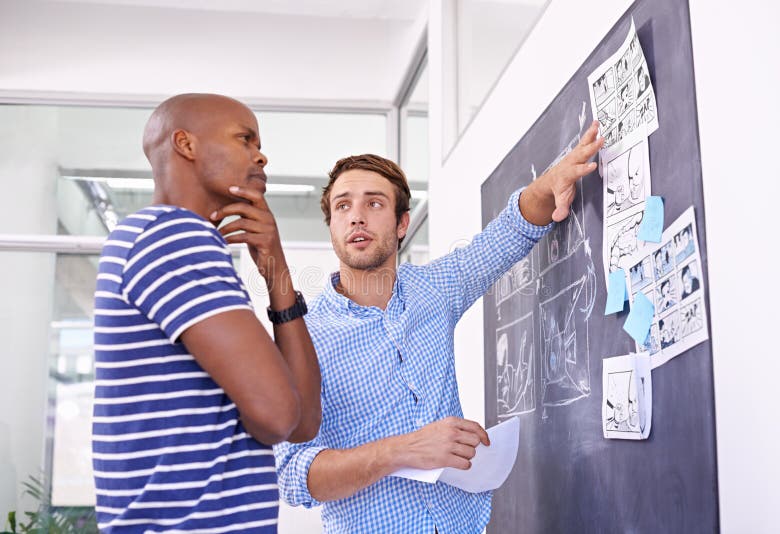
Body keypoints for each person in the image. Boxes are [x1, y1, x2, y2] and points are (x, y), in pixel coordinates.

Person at [274, 123, 603, 532]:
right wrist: (405, 450)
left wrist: (551, 181)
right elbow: (292, 475)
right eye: (342, 206)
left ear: (401, 224)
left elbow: (509, 233)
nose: (356, 216)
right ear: (332, 227)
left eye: (373, 203)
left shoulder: (434, 290)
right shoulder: (303, 337)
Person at [92, 93, 321, 532]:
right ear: (186, 144)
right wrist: (272, 410)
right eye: (244, 139)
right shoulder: (173, 238)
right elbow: (278, 415)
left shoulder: (161, 239)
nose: (261, 155)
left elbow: (303, 425)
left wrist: (276, 271)